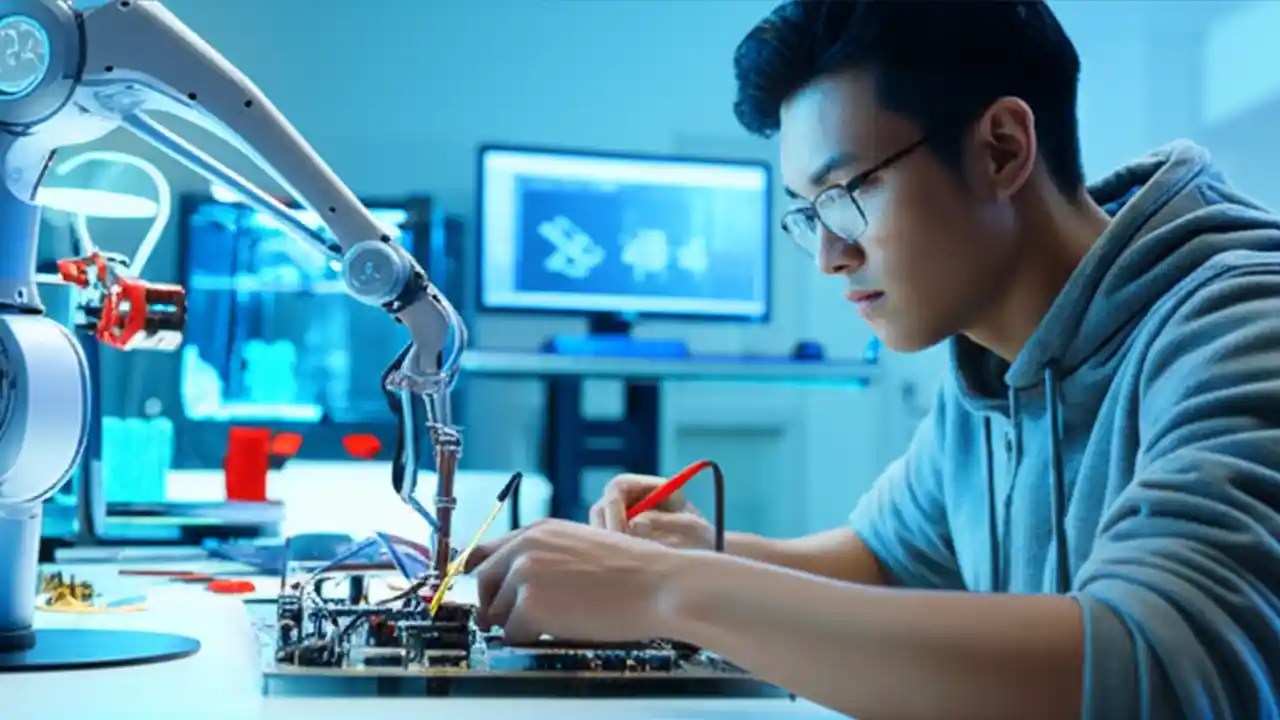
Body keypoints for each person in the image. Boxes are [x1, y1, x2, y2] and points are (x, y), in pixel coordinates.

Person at [467, 1, 1280, 718]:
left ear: (1001, 149)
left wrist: (665, 591)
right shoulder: (994, 363)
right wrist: (685, 552)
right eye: (807, 213)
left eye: (848, 193)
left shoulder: (1241, 324)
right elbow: (887, 561)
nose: (827, 255)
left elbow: (1163, 671)